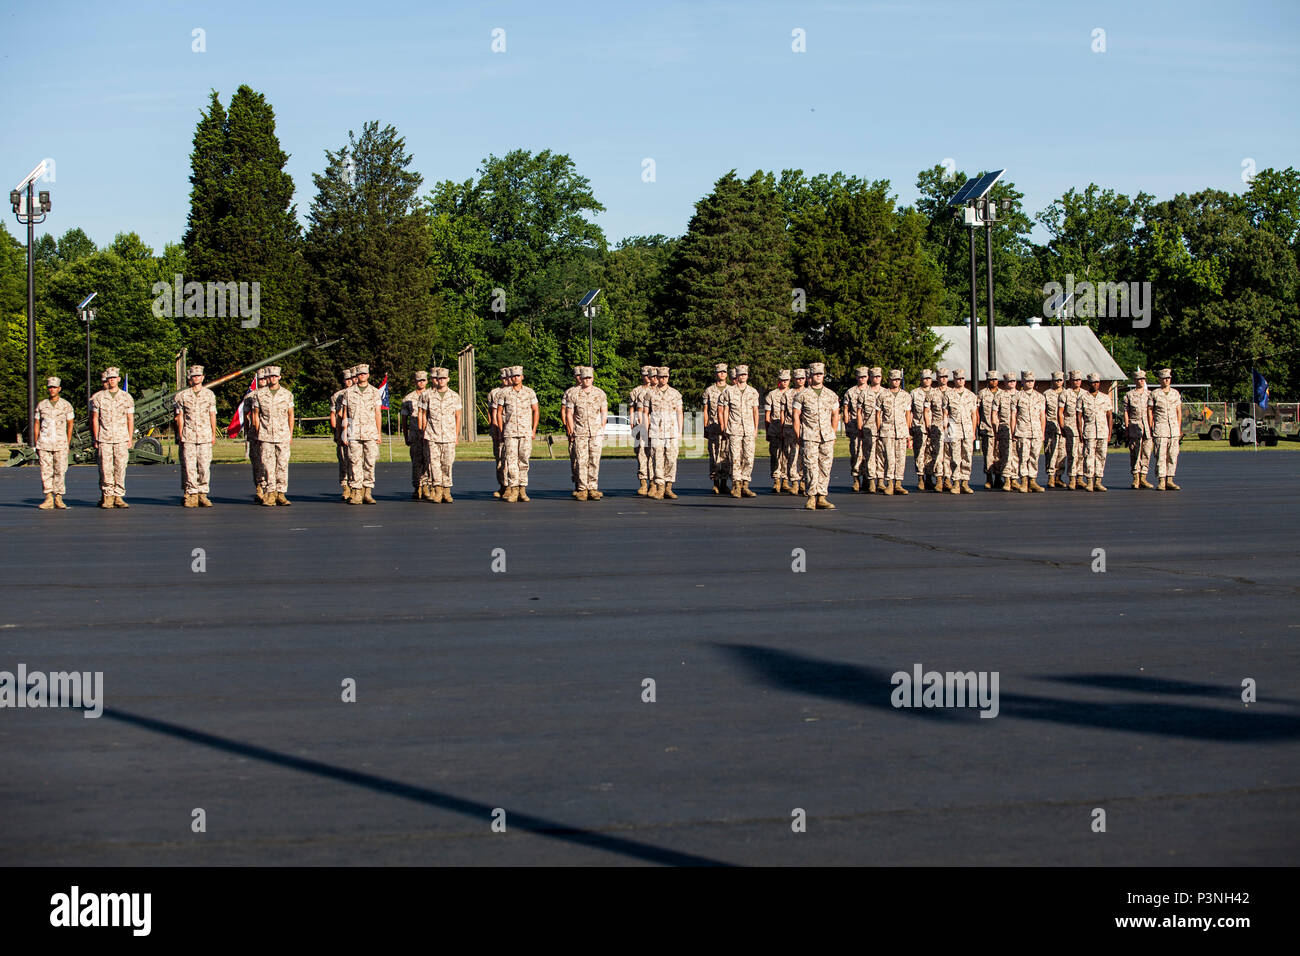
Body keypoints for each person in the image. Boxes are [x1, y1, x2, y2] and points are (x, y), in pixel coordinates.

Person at [793, 361, 839, 510]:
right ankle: (811, 496)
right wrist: (798, 434)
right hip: (809, 435)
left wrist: (833, 432)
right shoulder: (802, 395)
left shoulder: (831, 395)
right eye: (815, 374)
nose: (818, 376)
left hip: (826, 436)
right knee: (810, 466)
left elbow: (835, 415)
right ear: (810, 376)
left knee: (825, 466)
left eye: (820, 374)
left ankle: (822, 496)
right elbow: (796, 416)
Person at [174, 364, 218, 507]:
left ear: (203, 377)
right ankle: (191, 494)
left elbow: (212, 415)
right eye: (193, 376)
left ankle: (202, 493)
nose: (196, 378)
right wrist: (180, 434)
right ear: (190, 379)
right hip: (189, 435)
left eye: (198, 376)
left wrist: (213, 433)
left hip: (205, 436)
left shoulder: (209, 395)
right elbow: (180, 417)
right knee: (189, 466)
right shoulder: (182, 396)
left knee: (204, 466)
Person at [90, 366, 134, 508]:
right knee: (105, 468)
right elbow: (95, 419)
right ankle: (108, 496)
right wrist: (96, 438)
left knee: (120, 467)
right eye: (109, 378)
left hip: (121, 437)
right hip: (105, 437)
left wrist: (130, 437)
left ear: (119, 379)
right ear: (107, 380)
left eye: (114, 378)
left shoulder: (126, 398)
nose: (112, 380)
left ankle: (118, 496)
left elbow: (130, 419)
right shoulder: (98, 398)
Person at [495, 365, 539, 502]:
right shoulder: (504, 393)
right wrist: (502, 430)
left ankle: (522, 490)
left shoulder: (529, 392)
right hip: (510, 432)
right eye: (513, 376)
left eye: (518, 376)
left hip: (525, 432)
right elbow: (499, 412)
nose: (516, 378)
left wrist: (533, 429)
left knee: (524, 460)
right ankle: (513, 489)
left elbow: (535, 410)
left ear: (522, 377)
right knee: (511, 461)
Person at [563, 365, 607, 501]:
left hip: (596, 432)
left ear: (593, 378)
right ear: (580, 379)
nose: (587, 380)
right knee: (581, 460)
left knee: (594, 460)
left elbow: (604, 411)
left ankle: (592, 487)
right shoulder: (573, 394)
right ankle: (582, 488)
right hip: (580, 432)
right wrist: (571, 430)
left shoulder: (600, 393)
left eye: (589, 378)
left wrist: (602, 426)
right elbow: (569, 413)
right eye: (584, 378)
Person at [252, 365, 294, 505]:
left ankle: (281, 493)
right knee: (267, 465)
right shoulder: (259, 394)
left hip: (282, 434)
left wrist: (290, 434)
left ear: (279, 377)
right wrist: (259, 432)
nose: (272, 379)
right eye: (270, 376)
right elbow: (256, 415)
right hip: (266, 435)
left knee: (282, 464)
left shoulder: (287, 394)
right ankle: (270, 493)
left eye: (275, 376)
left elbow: (290, 415)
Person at [341, 364, 383, 504]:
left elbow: (378, 413)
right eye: (360, 374)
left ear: (368, 375)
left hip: (370, 433)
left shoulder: (374, 392)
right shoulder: (348, 392)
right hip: (353, 433)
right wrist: (344, 432)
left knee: (370, 462)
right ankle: (356, 492)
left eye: (364, 374)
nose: (362, 376)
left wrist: (379, 433)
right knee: (354, 463)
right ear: (356, 376)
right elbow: (345, 414)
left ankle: (367, 491)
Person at [419, 367, 461, 502]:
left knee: (447, 463)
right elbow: (423, 415)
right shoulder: (427, 395)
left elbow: (457, 417)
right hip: (432, 435)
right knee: (434, 464)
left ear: (448, 379)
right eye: (438, 378)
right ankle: (437, 490)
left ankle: (446, 491)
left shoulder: (454, 396)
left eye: (443, 378)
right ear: (435, 380)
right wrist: (423, 432)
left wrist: (456, 435)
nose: (441, 381)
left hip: (449, 436)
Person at [720, 364, 761, 498]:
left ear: (747, 376)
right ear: (736, 376)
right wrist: (725, 427)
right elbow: (726, 410)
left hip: (748, 429)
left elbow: (755, 411)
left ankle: (745, 484)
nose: (743, 377)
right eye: (740, 375)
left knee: (749, 457)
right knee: (735, 458)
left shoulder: (753, 392)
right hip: (734, 428)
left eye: (745, 374)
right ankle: (736, 485)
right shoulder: (729, 391)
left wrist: (755, 429)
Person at [33, 376, 74, 509]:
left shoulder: (66, 405)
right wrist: (36, 442)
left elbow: (70, 424)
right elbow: (37, 423)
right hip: (44, 442)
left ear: (59, 389)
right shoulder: (41, 405)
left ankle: (59, 497)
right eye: (50, 387)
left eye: (54, 387)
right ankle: (48, 498)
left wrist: (67, 443)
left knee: (60, 470)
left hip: (60, 443)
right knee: (45, 471)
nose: (52, 389)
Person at [646, 367, 684, 500]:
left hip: (672, 432)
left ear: (668, 377)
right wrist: (646, 431)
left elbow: (679, 412)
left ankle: (669, 487)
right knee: (658, 460)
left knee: (672, 459)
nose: (663, 379)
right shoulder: (650, 394)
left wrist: (680, 431)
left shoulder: (675, 394)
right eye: (661, 377)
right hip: (656, 432)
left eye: (665, 377)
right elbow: (646, 413)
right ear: (657, 378)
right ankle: (660, 487)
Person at [876, 369, 912, 495]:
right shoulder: (882, 395)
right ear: (889, 380)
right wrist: (880, 428)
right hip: (887, 431)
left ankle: (898, 483)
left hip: (901, 431)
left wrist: (907, 431)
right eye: (894, 379)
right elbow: (878, 414)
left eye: (898, 380)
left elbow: (908, 414)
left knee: (901, 458)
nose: (896, 382)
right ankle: (889, 483)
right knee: (889, 458)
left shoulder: (906, 396)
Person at [941, 369, 978, 494]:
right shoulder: (948, 395)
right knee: (955, 456)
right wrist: (946, 431)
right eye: (958, 379)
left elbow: (974, 415)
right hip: (954, 428)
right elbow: (945, 414)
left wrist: (973, 432)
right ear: (954, 380)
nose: (960, 381)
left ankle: (965, 482)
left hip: (967, 429)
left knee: (967, 456)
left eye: (962, 378)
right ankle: (956, 482)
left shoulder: (971, 395)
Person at [1010, 370, 1046, 492]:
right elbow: (1013, 416)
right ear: (1023, 382)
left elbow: (1042, 416)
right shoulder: (1017, 397)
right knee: (1023, 456)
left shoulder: (1040, 397)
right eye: (1027, 381)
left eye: (1031, 381)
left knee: (1034, 457)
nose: (1029, 383)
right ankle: (1024, 481)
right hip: (1022, 431)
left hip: (1036, 432)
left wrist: (1042, 432)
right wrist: (1013, 431)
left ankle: (1032, 481)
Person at [1078, 372, 1112, 492]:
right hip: (1089, 431)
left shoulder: (1105, 397)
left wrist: (1109, 433)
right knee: (1088, 456)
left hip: (1102, 431)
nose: (1095, 384)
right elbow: (1079, 416)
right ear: (1089, 383)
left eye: (1097, 382)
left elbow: (1109, 415)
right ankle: (1089, 481)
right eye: (1093, 382)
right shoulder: (1083, 397)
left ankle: (1098, 481)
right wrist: (1080, 431)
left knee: (1101, 456)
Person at [1150, 368, 1182, 491]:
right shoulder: (1155, 393)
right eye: (1164, 378)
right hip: (1161, 428)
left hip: (1173, 429)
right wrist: (1151, 425)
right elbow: (1150, 411)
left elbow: (1179, 411)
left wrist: (1178, 429)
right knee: (1161, 455)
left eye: (1168, 378)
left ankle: (1170, 479)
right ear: (1160, 380)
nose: (1166, 380)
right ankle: (1161, 480)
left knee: (1173, 455)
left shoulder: (1175, 393)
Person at [1124, 368, 1155, 489]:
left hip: (1147, 427)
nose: (1141, 381)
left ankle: (1143, 477)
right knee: (1135, 452)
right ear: (1135, 380)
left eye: (1143, 379)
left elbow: (1153, 411)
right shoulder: (1129, 395)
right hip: (1134, 426)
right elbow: (1126, 412)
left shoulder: (1150, 394)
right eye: (1138, 379)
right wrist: (1127, 427)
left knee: (1146, 452)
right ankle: (1135, 478)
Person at [402, 371, 430, 499]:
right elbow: (404, 419)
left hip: (429, 434)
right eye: (419, 380)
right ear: (415, 382)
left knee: (428, 461)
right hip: (415, 434)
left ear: (427, 381)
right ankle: (417, 486)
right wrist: (405, 436)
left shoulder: (431, 395)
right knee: (416, 462)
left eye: (423, 380)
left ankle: (426, 486)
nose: (421, 383)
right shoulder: (408, 398)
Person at [703, 362, 730, 494]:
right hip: (713, 426)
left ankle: (724, 482)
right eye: (719, 372)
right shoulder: (709, 390)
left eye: (724, 372)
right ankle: (715, 483)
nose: (722, 374)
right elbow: (705, 409)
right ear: (716, 374)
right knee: (714, 455)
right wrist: (705, 426)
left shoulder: (731, 390)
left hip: (727, 428)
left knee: (725, 455)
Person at [764, 370, 791, 493]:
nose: (784, 382)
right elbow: (767, 414)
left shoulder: (793, 394)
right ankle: (776, 480)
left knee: (787, 455)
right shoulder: (771, 395)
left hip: (788, 429)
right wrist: (767, 431)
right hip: (774, 428)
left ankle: (785, 479)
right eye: (782, 380)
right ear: (778, 381)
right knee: (775, 455)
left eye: (786, 380)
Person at [330, 367, 355, 500]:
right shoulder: (337, 396)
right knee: (344, 459)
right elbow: (334, 414)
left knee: (356, 461)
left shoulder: (357, 394)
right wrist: (336, 431)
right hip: (342, 429)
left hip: (356, 429)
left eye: (351, 379)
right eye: (347, 379)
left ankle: (356, 487)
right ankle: (345, 486)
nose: (349, 381)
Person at [1059, 370, 1086, 490]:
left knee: (1082, 454)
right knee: (1072, 454)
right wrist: (1062, 427)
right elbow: (1060, 412)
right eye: (1075, 380)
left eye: (1079, 380)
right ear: (1070, 381)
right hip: (1070, 426)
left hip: (1084, 427)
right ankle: (1072, 478)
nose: (1077, 382)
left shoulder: (1085, 394)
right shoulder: (1065, 394)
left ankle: (1080, 477)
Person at [245, 367, 269, 500]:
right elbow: (246, 415)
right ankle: (259, 487)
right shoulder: (250, 396)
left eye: (265, 378)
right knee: (257, 462)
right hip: (255, 434)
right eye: (261, 379)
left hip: (270, 433)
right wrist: (249, 432)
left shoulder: (274, 395)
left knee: (269, 462)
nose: (263, 381)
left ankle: (270, 488)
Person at [925, 369, 951, 491]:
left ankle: (948, 479)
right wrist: (929, 426)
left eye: (945, 376)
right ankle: (939, 479)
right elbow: (926, 411)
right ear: (937, 378)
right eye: (941, 377)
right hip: (936, 425)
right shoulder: (932, 393)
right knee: (938, 454)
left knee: (949, 454)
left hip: (951, 427)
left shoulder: (953, 393)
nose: (943, 379)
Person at [843, 367, 868, 492]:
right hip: (854, 426)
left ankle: (868, 479)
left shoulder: (873, 392)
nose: (862, 378)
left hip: (869, 426)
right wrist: (847, 425)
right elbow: (846, 409)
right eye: (860, 376)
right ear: (857, 377)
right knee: (856, 453)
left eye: (864, 376)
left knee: (870, 454)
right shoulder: (850, 392)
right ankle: (856, 479)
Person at [631, 365, 654, 496]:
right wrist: (633, 425)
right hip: (640, 426)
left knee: (654, 454)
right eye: (645, 375)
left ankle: (653, 483)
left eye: (649, 375)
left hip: (655, 427)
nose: (647, 377)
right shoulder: (636, 391)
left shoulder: (656, 391)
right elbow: (632, 408)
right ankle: (643, 482)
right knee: (641, 454)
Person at [994, 371, 1018, 492]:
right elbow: (994, 414)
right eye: (1009, 381)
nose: (1011, 383)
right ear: (1005, 383)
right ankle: (1007, 479)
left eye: (1013, 381)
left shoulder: (1020, 395)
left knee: (1017, 455)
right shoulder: (999, 396)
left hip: (1019, 429)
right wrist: (996, 429)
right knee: (1006, 455)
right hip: (1004, 428)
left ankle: (1014, 479)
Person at [863, 367, 886, 493]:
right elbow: (860, 413)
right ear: (870, 377)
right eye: (874, 376)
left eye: (878, 376)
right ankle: (871, 480)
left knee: (881, 455)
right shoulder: (864, 393)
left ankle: (881, 480)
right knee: (870, 455)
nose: (876, 378)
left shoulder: (886, 393)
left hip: (884, 429)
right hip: (869, 428)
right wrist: (860, 429)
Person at [910, 369, 933, 491]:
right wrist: (910, 427)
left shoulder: (936, 393)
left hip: (933, 428)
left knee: (931, 453)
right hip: (919, 427)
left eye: (929, 378)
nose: (927, 380)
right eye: (925, 378)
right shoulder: (914, 393)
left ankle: (929, 478)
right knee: (919, 453)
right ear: (921, 380)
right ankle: (920, 478)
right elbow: (910, 411)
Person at [489, 367, 510, 498]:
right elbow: (492, 412)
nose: (506, 380)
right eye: (504, 377)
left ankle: (510, 486)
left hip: (512, 430)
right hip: (498, 430)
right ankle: (502, 485)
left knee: (511, 460)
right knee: (500, 460)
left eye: (508, 377)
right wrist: (495, 429)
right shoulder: (494, 393)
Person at [786, 369, 808, 494]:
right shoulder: (788, 394)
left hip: (807, 428)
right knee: (793, 455)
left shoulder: (809, 393)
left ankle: (804, 482)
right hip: (791, 428)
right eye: (798, 378)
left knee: (806, 456)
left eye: (802, 378)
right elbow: (785, 413)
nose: (800, 380)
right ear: (793, 379)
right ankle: (794, 481)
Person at [1043, 371, 1066, 487]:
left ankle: (1059, 477)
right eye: (1056, 380)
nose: (1058, 382)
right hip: (1050, 428)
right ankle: (1050, 477)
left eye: (1060, 380)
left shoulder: (1067, 394)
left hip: (1063, 429)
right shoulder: (1046, 394)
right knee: (1051, 452)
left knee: (1062, 453)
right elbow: (1043, 412)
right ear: (1052, 381)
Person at [978, 369, 999, 488]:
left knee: (999, 454)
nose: (993, 381)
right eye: (991, 380)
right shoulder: (982, 394)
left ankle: (998, 478)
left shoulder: (1002, 394)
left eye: (995, 379)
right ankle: (989, 478)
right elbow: (977, 411)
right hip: (987, 429)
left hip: (1000, 430)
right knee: (988, 455)